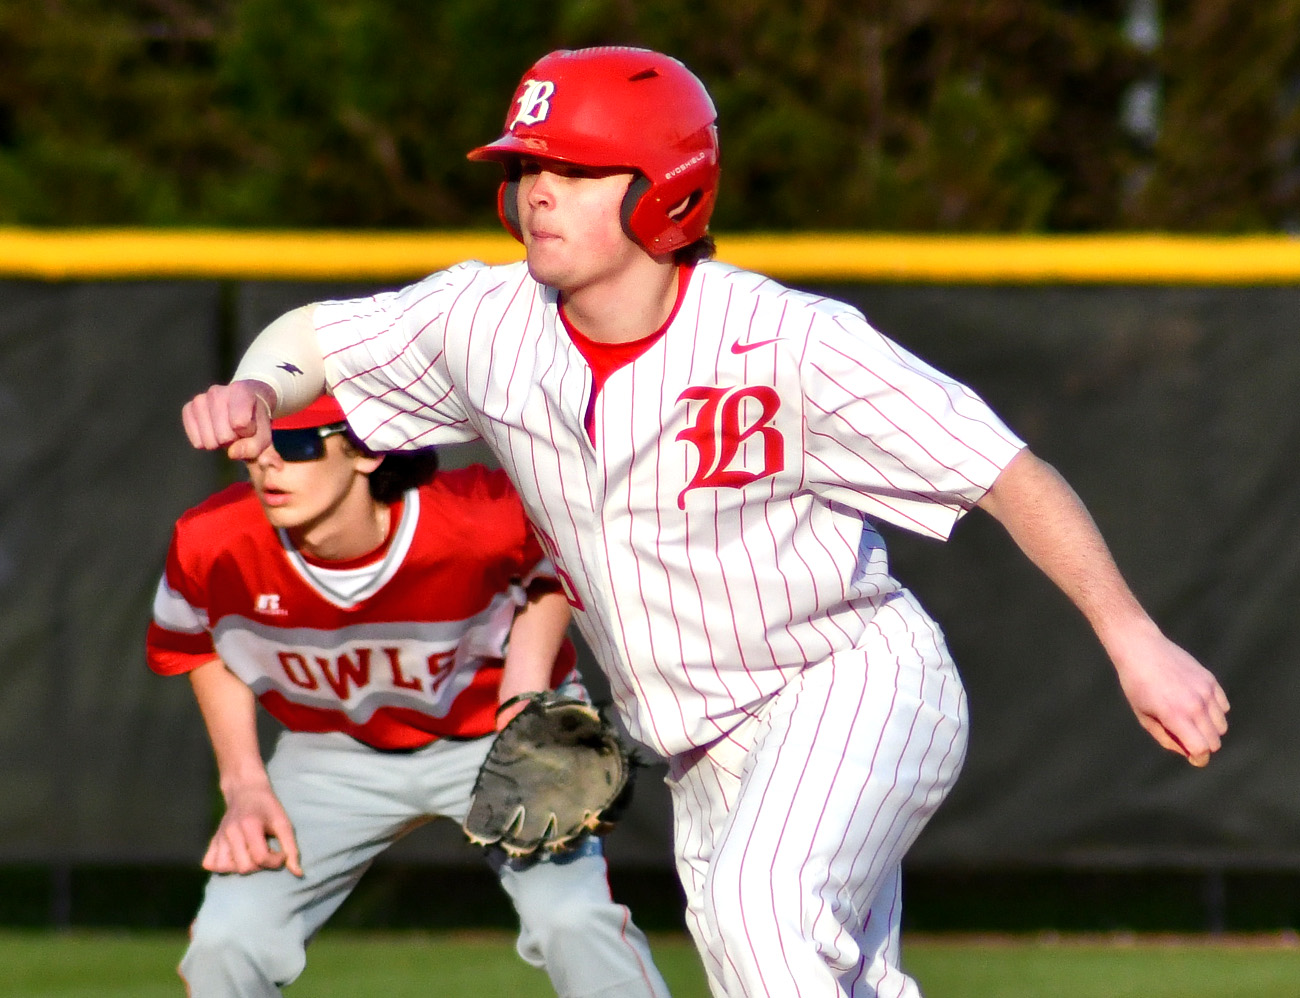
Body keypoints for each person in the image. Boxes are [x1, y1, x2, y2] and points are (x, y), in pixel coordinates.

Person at [178, 47, 1230, 998]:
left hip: (848, 678)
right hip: (695, 744)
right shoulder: (485, 323)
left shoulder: (789, 341)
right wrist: (261, 387)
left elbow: (1007, 472)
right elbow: (319, 335)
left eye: (576, 169)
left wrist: (1131, 637)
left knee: (758, 918)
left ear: (666, 189)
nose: (537, 190)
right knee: (792, 974)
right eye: (524, 168)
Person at [147, 394, 672, 998]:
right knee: (226, 941)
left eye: (294, 444)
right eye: (254, 443)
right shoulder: (213, 540)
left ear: (367, 450)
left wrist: (523, 699)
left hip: (496, 740)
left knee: (572, 920)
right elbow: (195, 644)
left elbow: (554, 565)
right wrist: (243, 784)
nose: (267, 462)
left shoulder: (475, 515)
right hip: (333, 750)